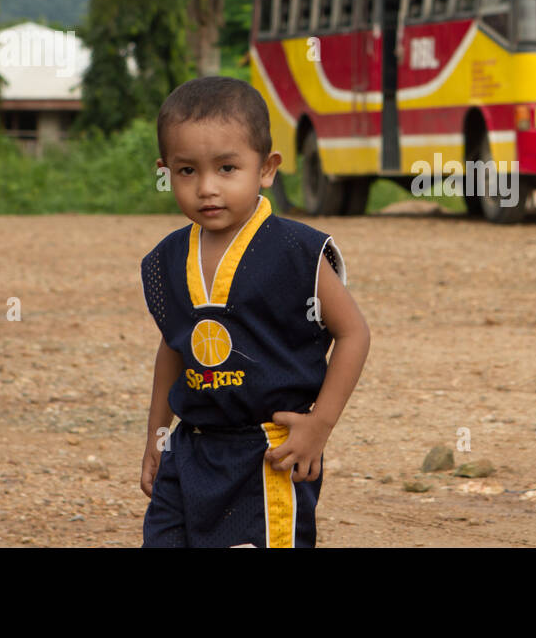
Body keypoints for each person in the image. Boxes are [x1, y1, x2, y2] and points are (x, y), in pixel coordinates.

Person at [139, 76, 370, 548]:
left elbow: (354, 335)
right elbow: (174, 347)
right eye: (187, 171)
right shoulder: (165, 260)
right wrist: (157, 437)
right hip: (189, 449)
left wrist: (319, 426)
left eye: (227, 168)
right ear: (166, 171)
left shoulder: (295, 251)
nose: (206, 188)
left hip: (267, 451)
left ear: (266, 169)